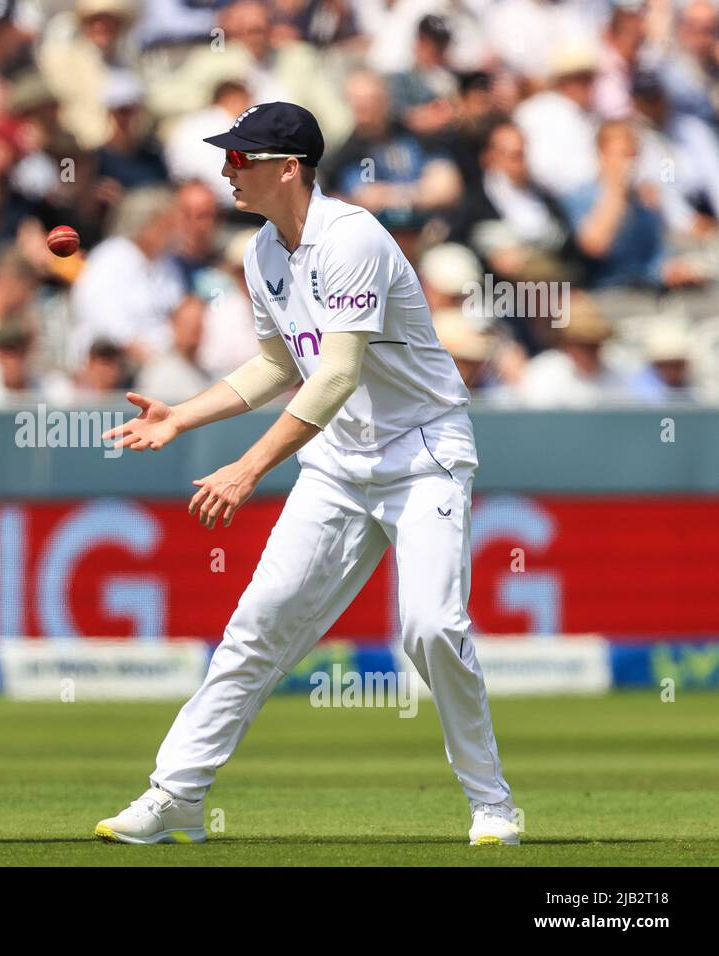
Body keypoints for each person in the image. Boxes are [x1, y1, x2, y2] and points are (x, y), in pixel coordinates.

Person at [95, 103, 519, 847]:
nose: (227, 169)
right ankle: (176, 797)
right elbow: (277, 365)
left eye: (240, 158)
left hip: (422, 450)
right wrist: (181, 417)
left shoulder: (353, 236)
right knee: (258, 624)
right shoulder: (262, 252)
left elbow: (335, 376)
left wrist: (249, 465)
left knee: (431, 626)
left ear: (287, 168)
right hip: (339, 460)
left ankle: (492, 804)